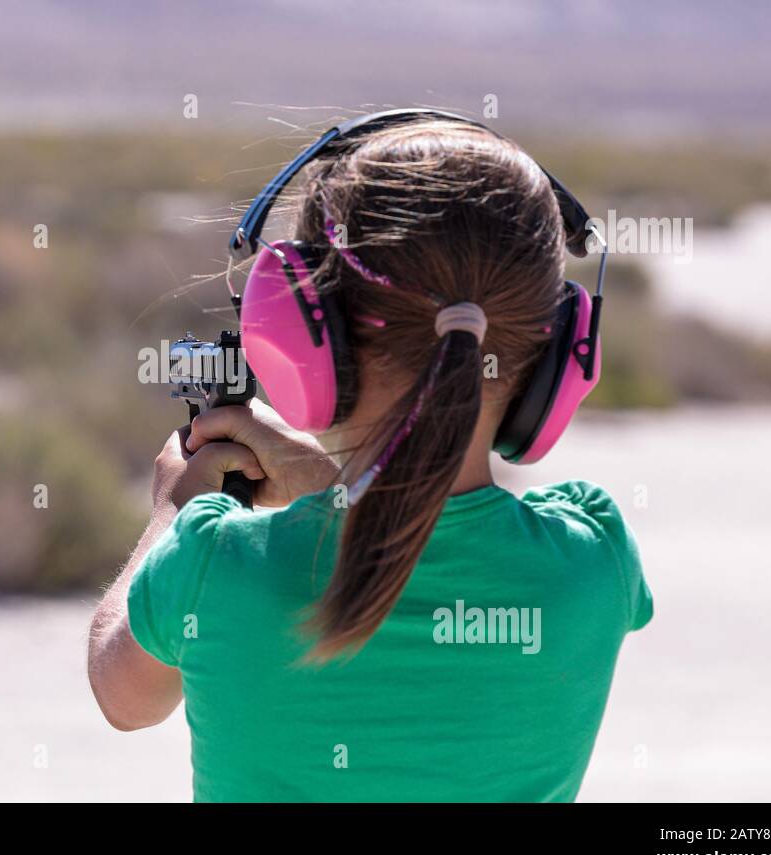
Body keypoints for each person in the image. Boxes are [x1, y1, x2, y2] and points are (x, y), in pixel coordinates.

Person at [88, 115, 653, 801]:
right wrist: (332, 488)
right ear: (559, 352)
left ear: (299, 328)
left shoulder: (216, 566)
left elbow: (124, 697)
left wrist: (172, 511)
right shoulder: (593, 566)